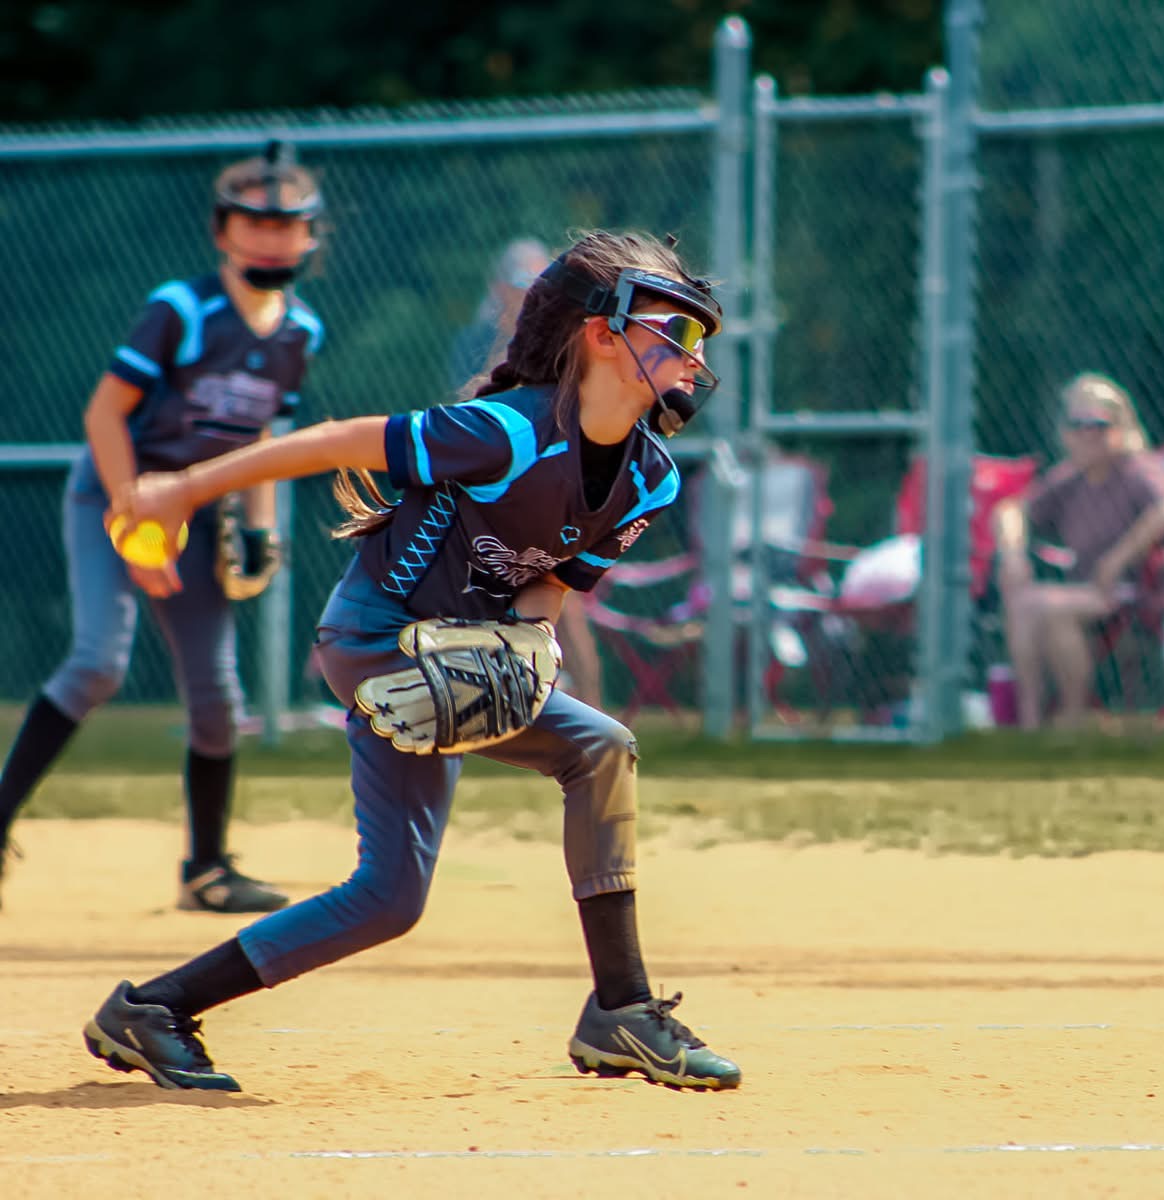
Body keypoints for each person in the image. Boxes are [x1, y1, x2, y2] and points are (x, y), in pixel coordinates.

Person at [80, 229, 741, 1094]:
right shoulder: (506, 431)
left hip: (471, 655)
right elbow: (330, 442)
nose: (695, 356)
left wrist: (530, 643)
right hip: (377, 639)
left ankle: (154, 1009)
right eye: (676, 330)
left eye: (701, 339)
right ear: (602, 334)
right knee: (601, 745)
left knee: (389, 899)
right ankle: (623, 1005)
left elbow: (552, 582)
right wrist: (183, 488)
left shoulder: (649, 479)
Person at [0, 141, 324, 914]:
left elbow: (262, 441)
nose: (271, 238)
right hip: (111, 490)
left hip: (199, 509)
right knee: (98, 664)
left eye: (287, 225)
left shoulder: (299, 331)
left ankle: (206, 870)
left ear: (311, 236)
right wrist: (135, 520)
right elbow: (103, 415)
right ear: (222, 231)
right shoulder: (182, 309)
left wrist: (258, 528)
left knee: (217, 697)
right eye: (254, 222)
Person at [450, 237, 605, 711]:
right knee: (472, 604)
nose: (531, 293)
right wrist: (508, 336)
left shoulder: (569, 342)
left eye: (540, 283)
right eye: (521, 283)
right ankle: (479, 706)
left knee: (562, 604)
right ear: (499, 289)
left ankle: (593, 716)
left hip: (548, 491)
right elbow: (467, 409)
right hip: (490, 496)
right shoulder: (478, 341)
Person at [992, 373, 1164, 730]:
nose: (1087, 434)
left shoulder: (1137, 471)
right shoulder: (1071, 477)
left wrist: (1118, 558)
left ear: (1121, 426)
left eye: (1098, 424)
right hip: (1083, 589)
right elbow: (1011, 511)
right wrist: (1013, 555)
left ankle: (1072, 715)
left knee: (1046, 607)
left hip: (1136, 590)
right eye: (1076, 425)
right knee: (1024, 601)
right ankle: (1030, 721)